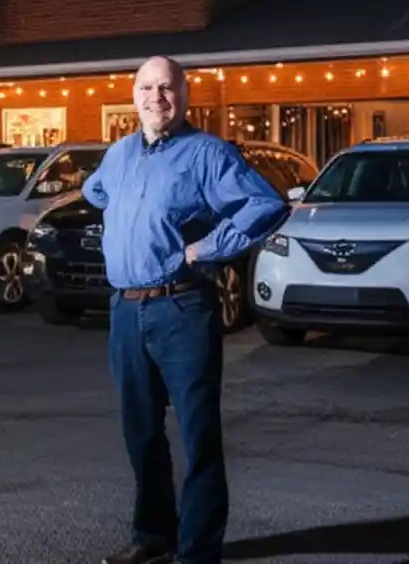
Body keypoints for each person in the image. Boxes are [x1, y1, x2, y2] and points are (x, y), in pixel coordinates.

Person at [82, 56, 287, 564]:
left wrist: (204, 248)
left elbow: (265, 205)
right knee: (141, 432)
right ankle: (153, 535)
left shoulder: (205, 155)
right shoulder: (120, 154)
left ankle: (197, 552)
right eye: (147, 88)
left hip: (181, 307)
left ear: (185, 95)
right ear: (134, 97)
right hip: (126, 312)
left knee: (198, 433)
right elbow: (95, 191)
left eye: (167, 88)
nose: (157, 97)